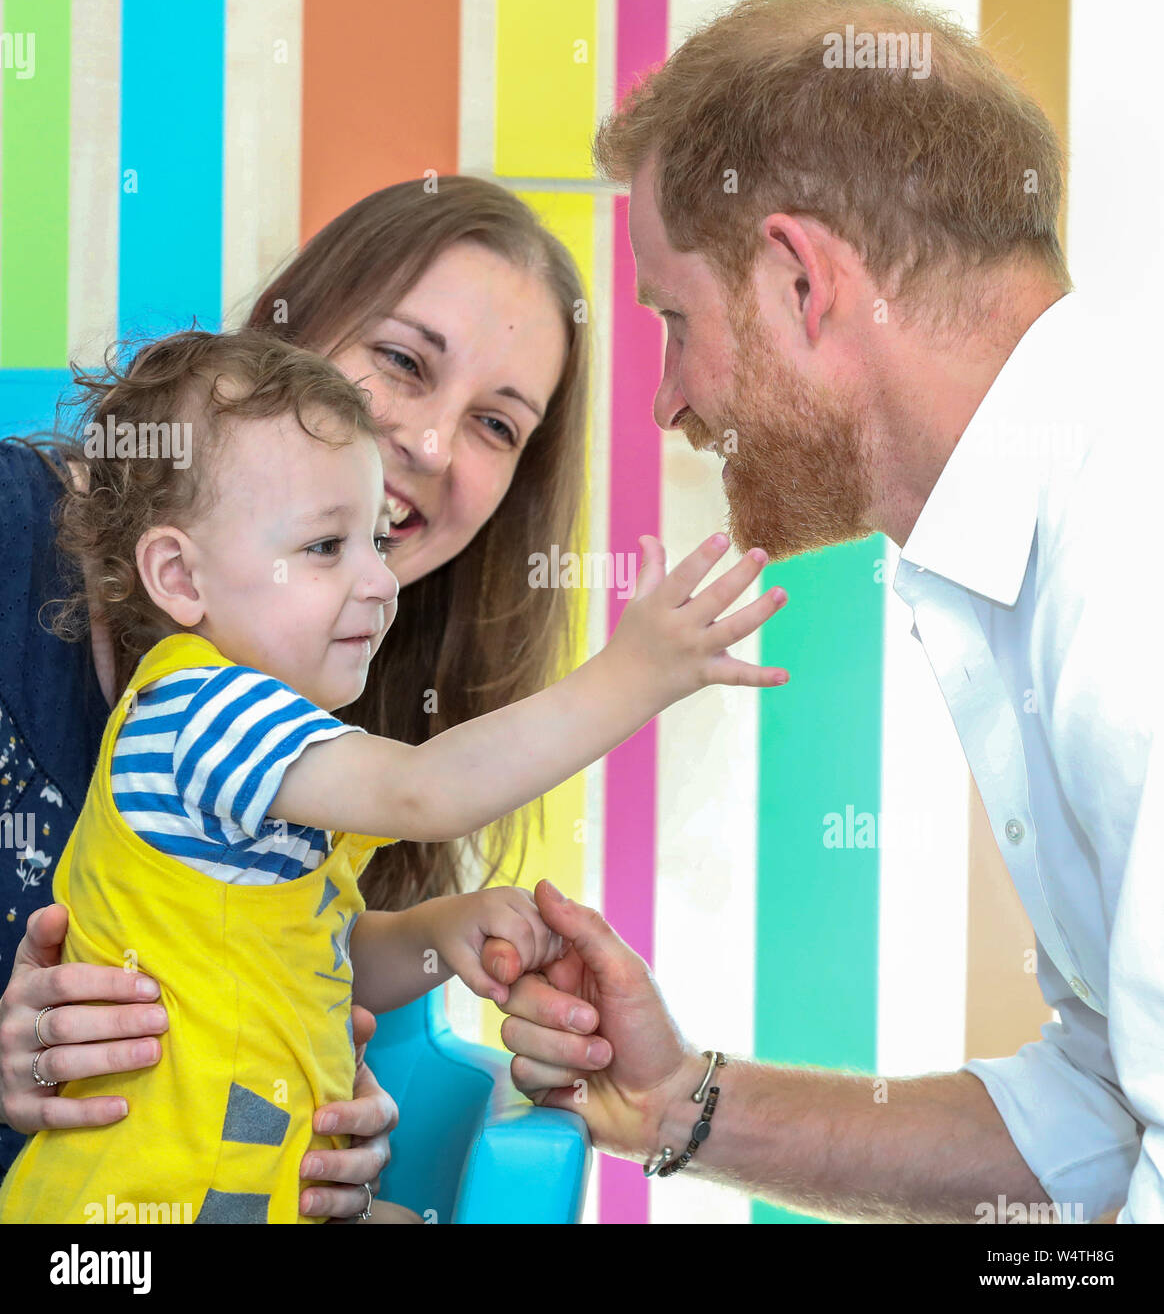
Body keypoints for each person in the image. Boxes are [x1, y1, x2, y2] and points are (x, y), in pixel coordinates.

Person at [495, 0, 1162, 1223]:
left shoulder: (1133, 559)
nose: (669, 404)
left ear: (803, 281)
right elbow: (1105, 1117)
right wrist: (682, 1104)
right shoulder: (1042, 524)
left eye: (675, 321)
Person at [0, 327, 788, 1223]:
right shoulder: (200, 714)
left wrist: (432, 932)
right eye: (328, 546)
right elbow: (428, 790)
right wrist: (632, 675)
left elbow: (316, 955)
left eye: (376, 539)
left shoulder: (262, 766)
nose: (381, 581)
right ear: (180, 575)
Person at [0, 176, 593, 1219]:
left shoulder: (335, 707)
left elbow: (322, 984)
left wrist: (323, 1133)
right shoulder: (12, 532)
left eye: (497, 426)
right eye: (404, 362)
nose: (430, 446)